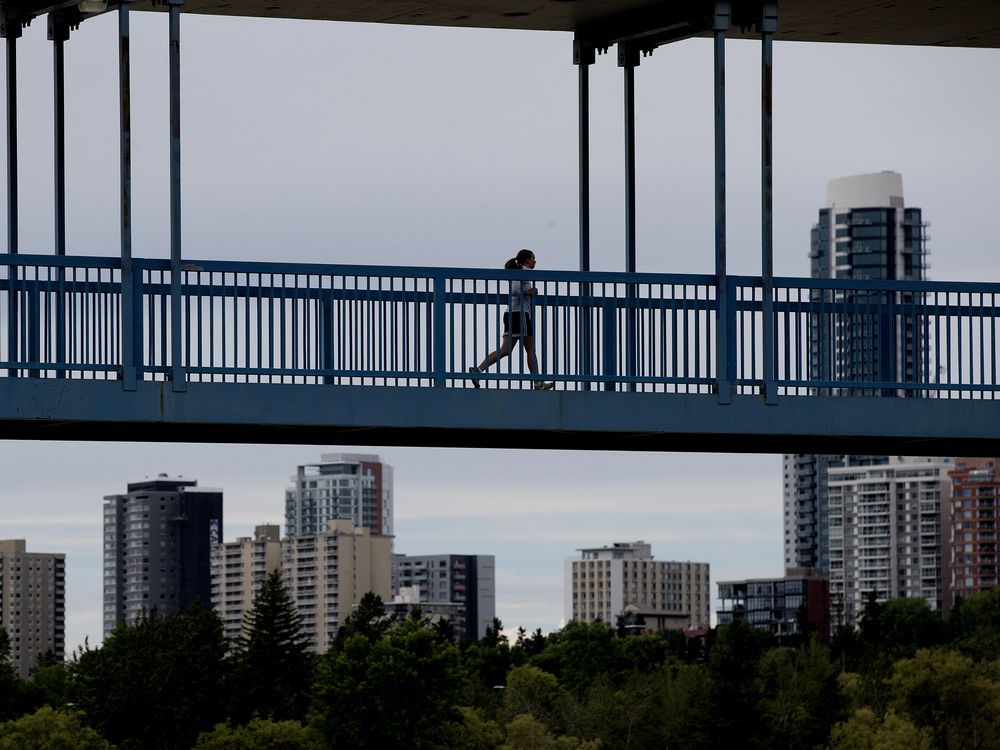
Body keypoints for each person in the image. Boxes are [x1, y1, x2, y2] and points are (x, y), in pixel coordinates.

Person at [470, 249, 554, 390]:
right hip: (520, 315)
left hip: (512, 314)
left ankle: (478, 371)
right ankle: (538, 383)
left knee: (505, 350)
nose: (535, 261)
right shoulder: (523, 271)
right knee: (530, 349)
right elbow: (515, 290)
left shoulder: (520, 271)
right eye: (533, 258)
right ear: (526, 260)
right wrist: (530, 292)